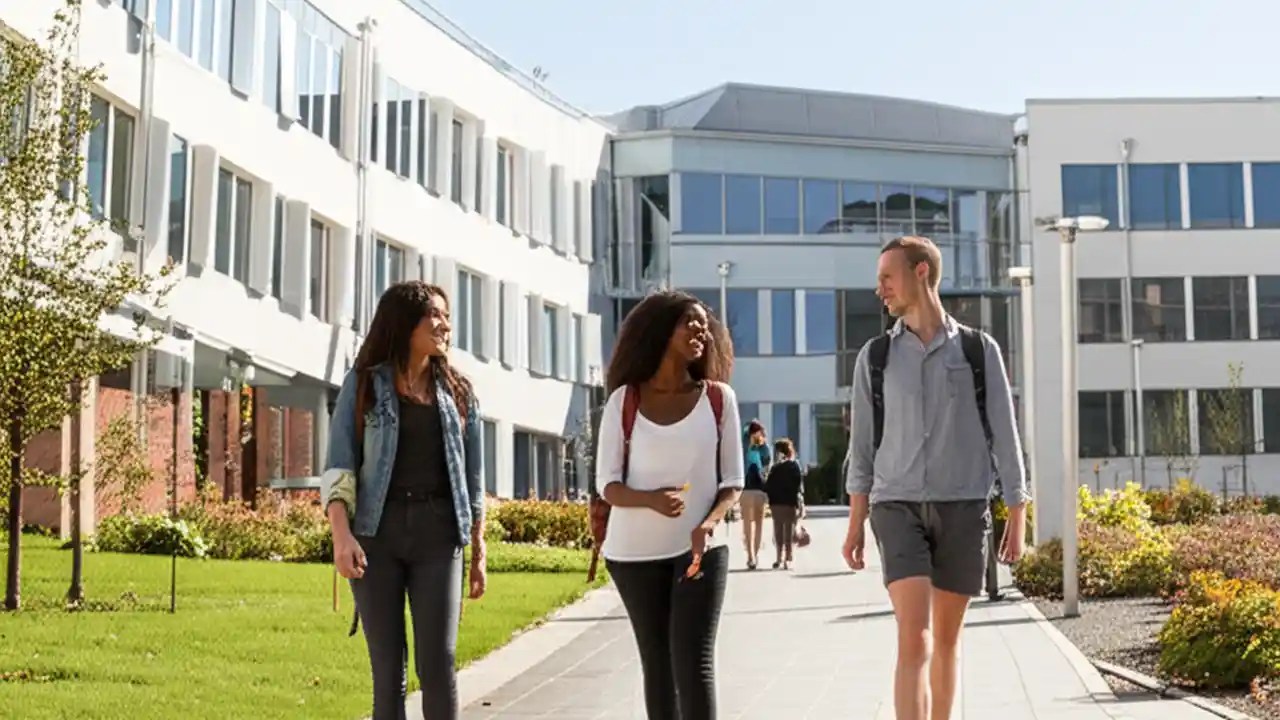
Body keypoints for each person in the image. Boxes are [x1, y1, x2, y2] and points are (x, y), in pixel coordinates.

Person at [842, 236, 1029, 720]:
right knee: (915, 639)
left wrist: (1018, 512)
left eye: (887, 276)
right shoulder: (875, 357)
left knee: (946, 641)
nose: (879, 288)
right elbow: (861, 449)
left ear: (920, 272)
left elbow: (1005, 437)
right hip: (896, 506)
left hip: (964, 506)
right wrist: (855, 522)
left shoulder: (976, 350)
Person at [323, 281, 487, 720]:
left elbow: (474, 481)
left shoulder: (460, 394)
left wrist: (479, 550)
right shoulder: (363, 386)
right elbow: (339, 471)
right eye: (434, 315)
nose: (444, 325)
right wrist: (342, 539)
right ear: (405, 322)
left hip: (439, 537)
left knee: (438, 665)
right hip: (377, 537)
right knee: (388, 672)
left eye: (445, 316)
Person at [595, 290, 745, 720]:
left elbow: (732, 482)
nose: (701, 331)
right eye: (689, 323)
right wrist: (651, 501)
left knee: (693, 664)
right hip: (633, 554)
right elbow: (608, 484)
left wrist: (709, 525)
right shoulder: (625, 401)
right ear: (661, 330)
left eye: (704, 325)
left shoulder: (718, 399)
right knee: (658, 666)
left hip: (700, 551)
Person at [764, 438, 804, 570]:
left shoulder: (775, 468)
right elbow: (798, 485)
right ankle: (788, 558)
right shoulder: (794, 466)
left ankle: (778, 558)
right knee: (789, 531)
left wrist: (770, 500)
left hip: (776, 503)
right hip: (790, 502)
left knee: (778, 531)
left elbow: (768, 485)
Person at [739, 420, 771, 569]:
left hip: (747, 489)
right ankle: (753, 555)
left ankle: (751, 555)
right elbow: (767, 467)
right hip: (758, 489)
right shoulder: (764, 448)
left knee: (749, 524)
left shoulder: (744, 447)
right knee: (757, 524)